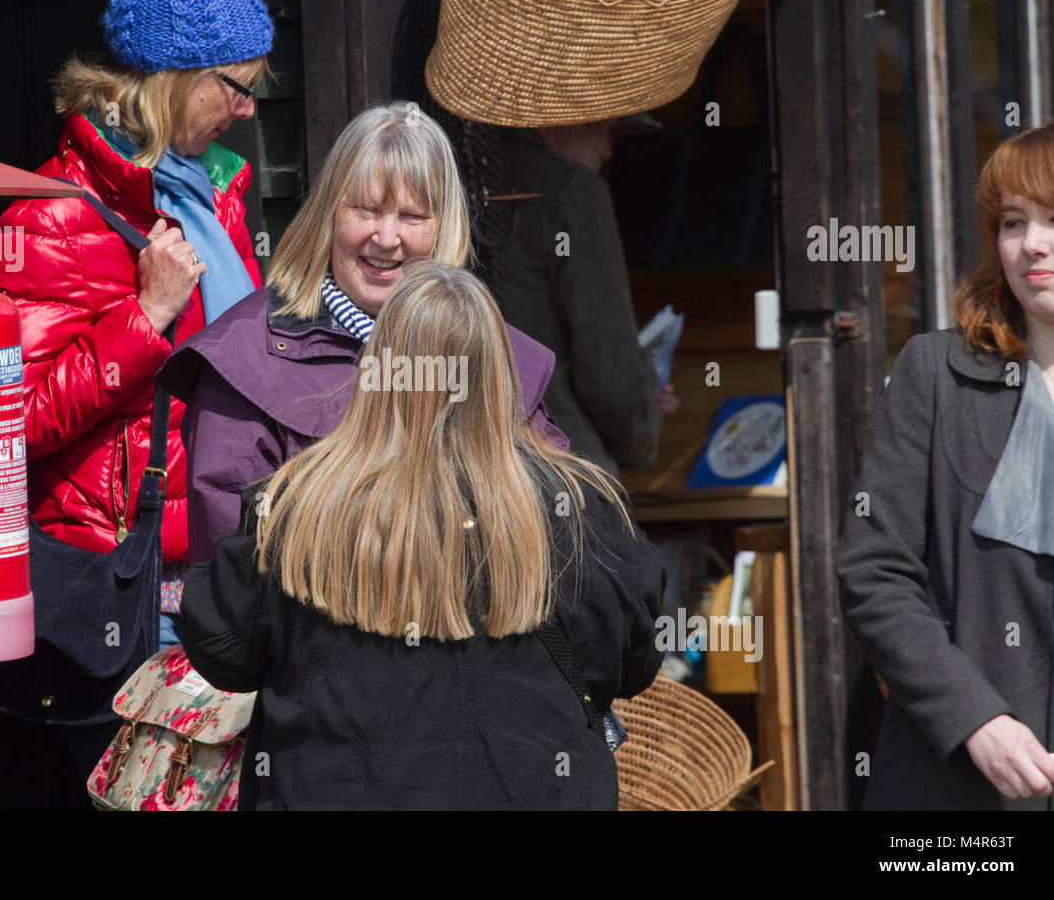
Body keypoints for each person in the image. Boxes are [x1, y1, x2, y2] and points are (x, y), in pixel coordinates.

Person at [179, 262, 666, 809]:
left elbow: (222, 650)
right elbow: (636, 658)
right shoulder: (579, 512)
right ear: (502, 369)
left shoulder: (298, 508)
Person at [0, 0, 272, 805]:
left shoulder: (210, 198)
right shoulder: (51, 215)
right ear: (171, 79)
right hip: (129, 595)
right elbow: (15, 422)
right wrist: (143, 321)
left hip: (221, 584)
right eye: (236, 85)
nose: (251, 109)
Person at [158, 101, 570, 566]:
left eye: (413, 216)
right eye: (366, 209)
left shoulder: (495, 354)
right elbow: (231, 578)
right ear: (329, 214)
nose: (387, 237)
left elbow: (548, 534)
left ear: (444, 229)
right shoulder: (245, 360)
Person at [838, 120, 1054, 810]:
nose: (1032, 244)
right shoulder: (937, 373)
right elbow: (874, 571)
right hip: (968, 777)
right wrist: (974, 720)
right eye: (1013, 222)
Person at [497, 119, 678, 477]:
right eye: (605, 129)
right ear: (568, 115)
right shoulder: (570, 189)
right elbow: (611, 379)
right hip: (557, 468)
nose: (607, 151)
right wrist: (641, 428)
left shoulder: (452, 168)